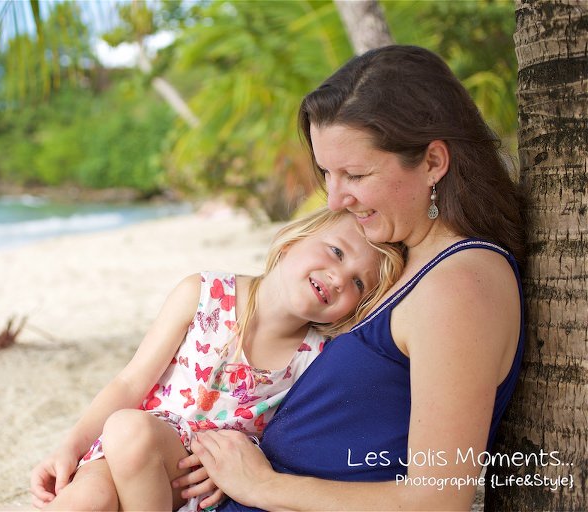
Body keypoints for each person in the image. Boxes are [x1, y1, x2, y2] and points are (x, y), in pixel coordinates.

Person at [173, 45, 527, 511]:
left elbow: (438, 500)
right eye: (327, 172)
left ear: (433, 163)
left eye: (355, 174)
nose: (336, 198)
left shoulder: (460, 286)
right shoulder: (396, 259)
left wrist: (261, 485)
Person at [29, 208, 405, 511]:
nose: (339, 277)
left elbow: (284, 435)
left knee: (128, 432)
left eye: (358, 283)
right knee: (87, 497)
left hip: (191, 476)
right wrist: (69, 446)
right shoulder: (204, 293)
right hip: (124, 450)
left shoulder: (317, 354)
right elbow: (130, 383)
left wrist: (238, 465)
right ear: (293, 241)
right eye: (337, 252)